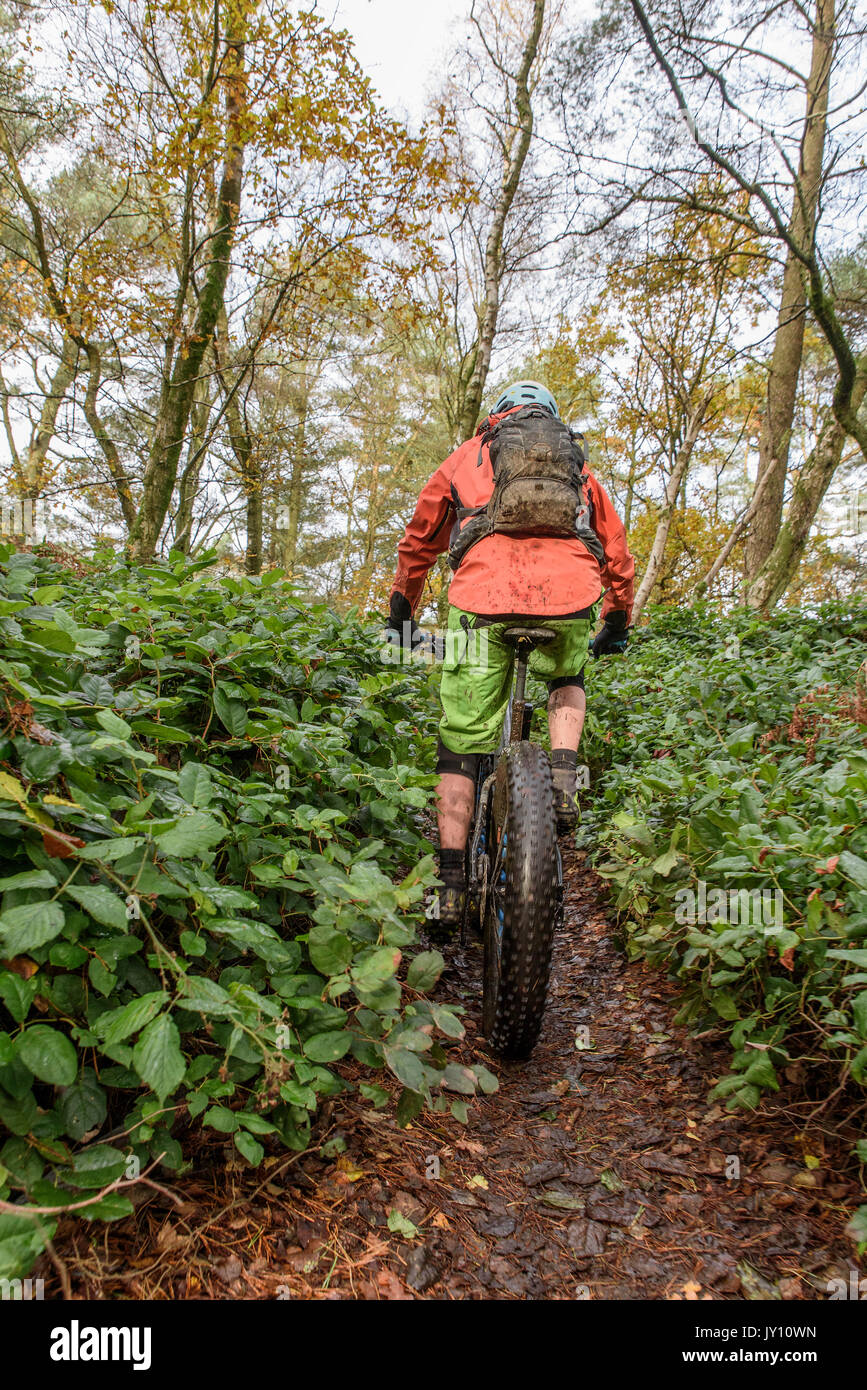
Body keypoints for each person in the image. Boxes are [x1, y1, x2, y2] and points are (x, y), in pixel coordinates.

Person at [385, 379, 635, 926]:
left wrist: (402, 611)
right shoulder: (577, 467)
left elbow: (420, 540)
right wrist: (616, 619)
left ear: (497, 418)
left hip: (481, 603)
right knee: (568, 672)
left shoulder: (467, 457)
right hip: (568, 600)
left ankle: (450, 886)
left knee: (459, 744)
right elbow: (615, 551)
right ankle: (564, 776)